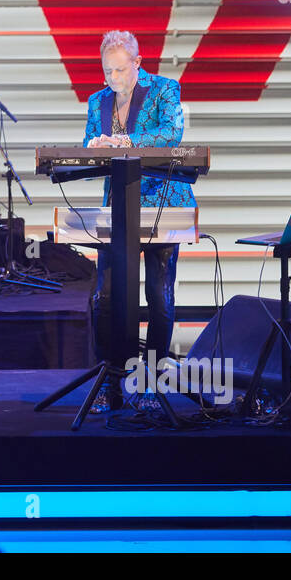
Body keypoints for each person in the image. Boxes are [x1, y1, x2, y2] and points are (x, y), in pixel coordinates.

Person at [83, 31, 194, 402]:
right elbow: (89, 147)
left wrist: (124, 141)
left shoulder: (164, 89)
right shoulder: (97, 101)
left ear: (137, 63)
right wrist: (96, 146)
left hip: (163, 202)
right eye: (107, 72)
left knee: (158, 295)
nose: (113, 79)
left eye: (119, 70)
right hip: (119, 207)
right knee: (105, 295)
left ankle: (158, 372)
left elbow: (171, 134)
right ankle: (110, 373)